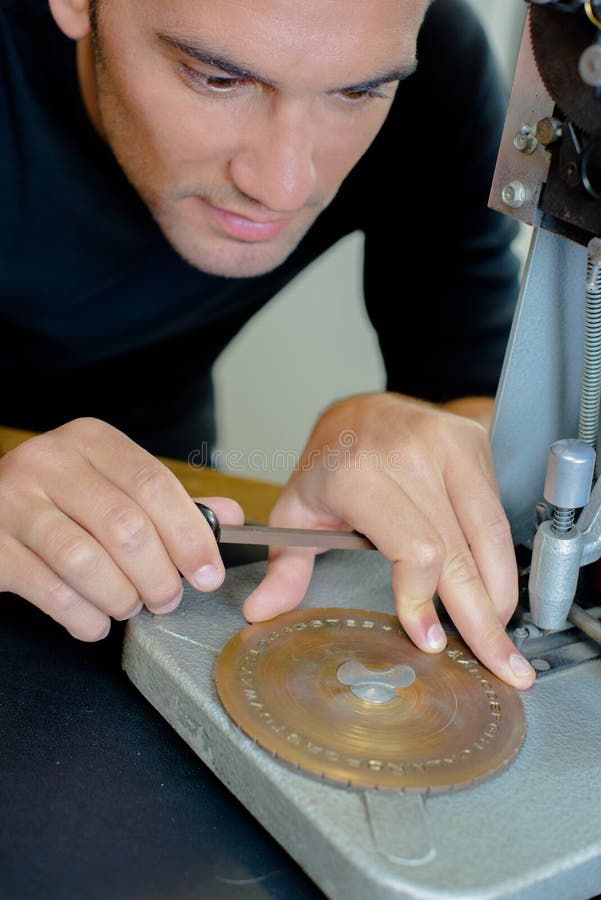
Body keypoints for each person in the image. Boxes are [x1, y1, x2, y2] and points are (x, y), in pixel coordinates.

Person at [0, 0, 536, 689]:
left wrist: (425, 433)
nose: (284, 185)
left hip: (165, 494)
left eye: (356, 92)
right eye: (216, 80)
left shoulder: (436, 62)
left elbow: (478, 387)